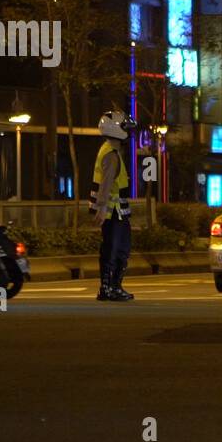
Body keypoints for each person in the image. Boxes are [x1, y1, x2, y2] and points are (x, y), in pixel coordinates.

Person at [89, 107, 137, 302]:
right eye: (125, 127)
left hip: (116, 212)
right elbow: (107, 184)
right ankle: (110, 288)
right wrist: (101, 208)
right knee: (116, 250)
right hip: (113, 212)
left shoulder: (109, 150)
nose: (129, 131)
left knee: (116, 249)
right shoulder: (112, 155)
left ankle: (111, 287)